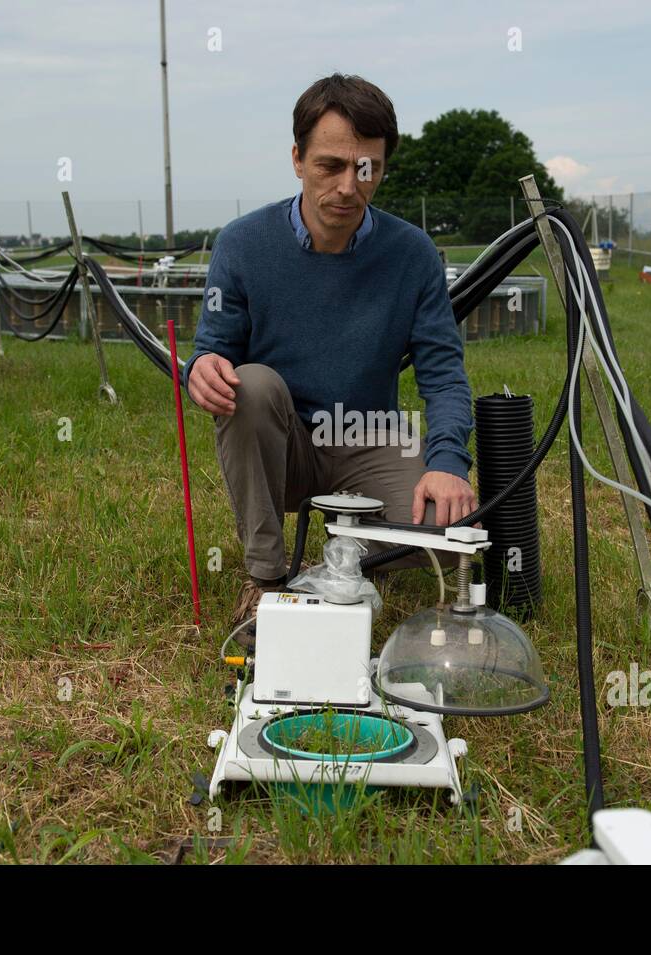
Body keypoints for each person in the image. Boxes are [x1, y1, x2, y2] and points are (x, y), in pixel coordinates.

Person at [185, 74, 476, 642]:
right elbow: (213, 352)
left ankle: (345, 559)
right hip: (285, 443)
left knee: (447, 531)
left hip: (370, 436)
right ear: (297, 159)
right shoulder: (242, 244)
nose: (348, 185)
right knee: (252, 384)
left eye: (367, 167)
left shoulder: (412, 254)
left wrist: (447, 463)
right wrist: (201, 369)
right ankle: (266, 577)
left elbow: (443, 375)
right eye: (330, 165)